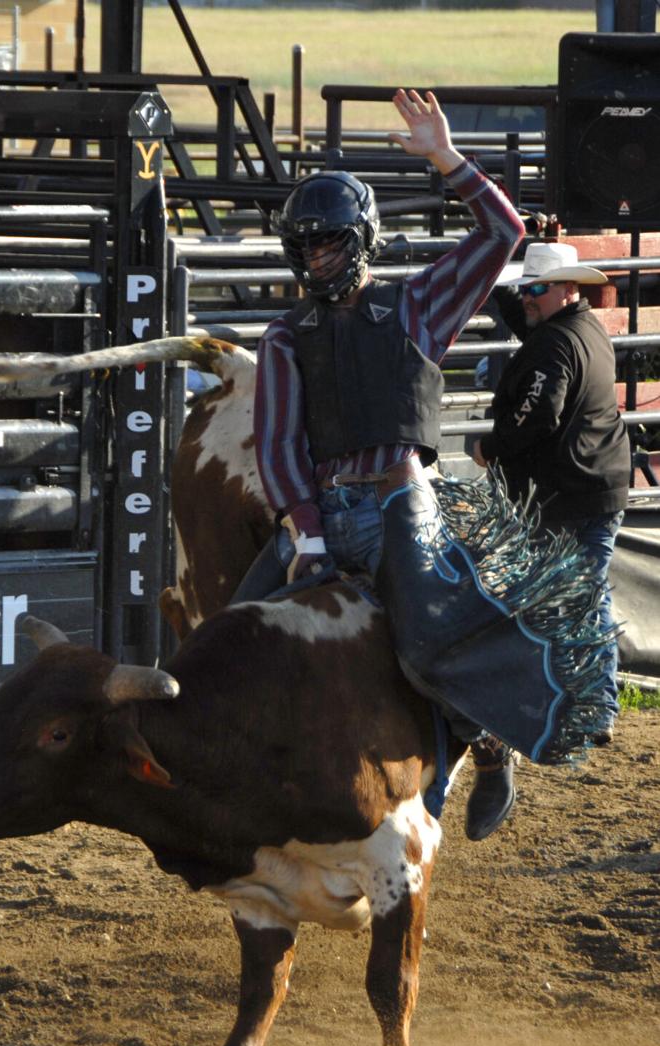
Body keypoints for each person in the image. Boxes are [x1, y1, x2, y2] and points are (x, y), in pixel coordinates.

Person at [237, 89, 547, 840]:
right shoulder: (285, 337)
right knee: (232, 635)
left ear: (361, 241)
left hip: (403, 502)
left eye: (330, 243)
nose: (317, 258)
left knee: (428, 641)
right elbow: (278, 444)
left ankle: (489, 743)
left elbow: (503, 230)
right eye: (306, 246)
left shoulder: (419, 305)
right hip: (321, 514)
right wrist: (304, 530)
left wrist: (447, 157)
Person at [473, 242, 629, 777]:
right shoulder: (583, 330)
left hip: (569, 494)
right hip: (593, 487)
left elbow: (538, 412)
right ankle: (594, 703)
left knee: (570, 598)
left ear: (566, 288)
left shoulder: (553, 346)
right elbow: (533, 329)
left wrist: (491, 447)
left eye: (537, 288)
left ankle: (585, 705)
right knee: (585, 593)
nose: (527, 297)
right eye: (525, 287)